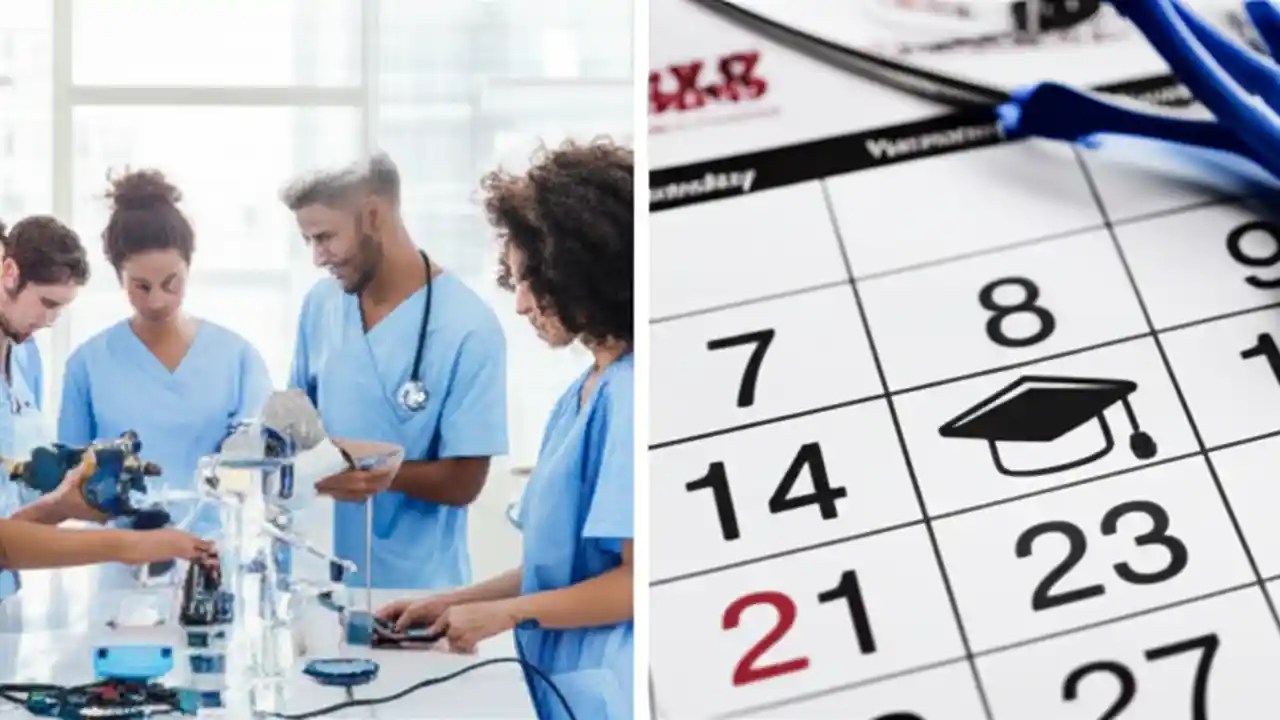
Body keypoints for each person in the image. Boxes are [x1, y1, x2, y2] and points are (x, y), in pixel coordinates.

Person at [377, 138, 635, 720]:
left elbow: (632, 583)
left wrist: (506, 615)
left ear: (582, 271)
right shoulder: (584, 392)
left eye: (528, 281)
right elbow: (555, 568)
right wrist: (450, 602)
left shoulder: (627, 394)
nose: (519, 304)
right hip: (562, 680)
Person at [280, 151, 508, 590]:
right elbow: (298, 426)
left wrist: (378, 475)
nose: (318, 257)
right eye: (308, 240)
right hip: (319, 582)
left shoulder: (467, 326)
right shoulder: (321, 305)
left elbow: (464, 481)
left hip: (420, 592)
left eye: (325, 237)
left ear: (372, 216)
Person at [0, 215, 214, 602]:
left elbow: (15, 525)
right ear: (9, 272)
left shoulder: (25, 358)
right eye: (46, 303)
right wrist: (132, 546)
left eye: (60, 309)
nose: (49, 321)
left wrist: (63, 504)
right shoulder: (86, 359)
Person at [57, 169, 274, 536]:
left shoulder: (238, 359)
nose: (157, 300)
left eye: (171, 283)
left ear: (189, 267)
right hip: (121, 557)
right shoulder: (87, 365)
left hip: (213, 553)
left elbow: (258, 470)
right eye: (141, 286)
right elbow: (69, 484)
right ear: (118, 277)